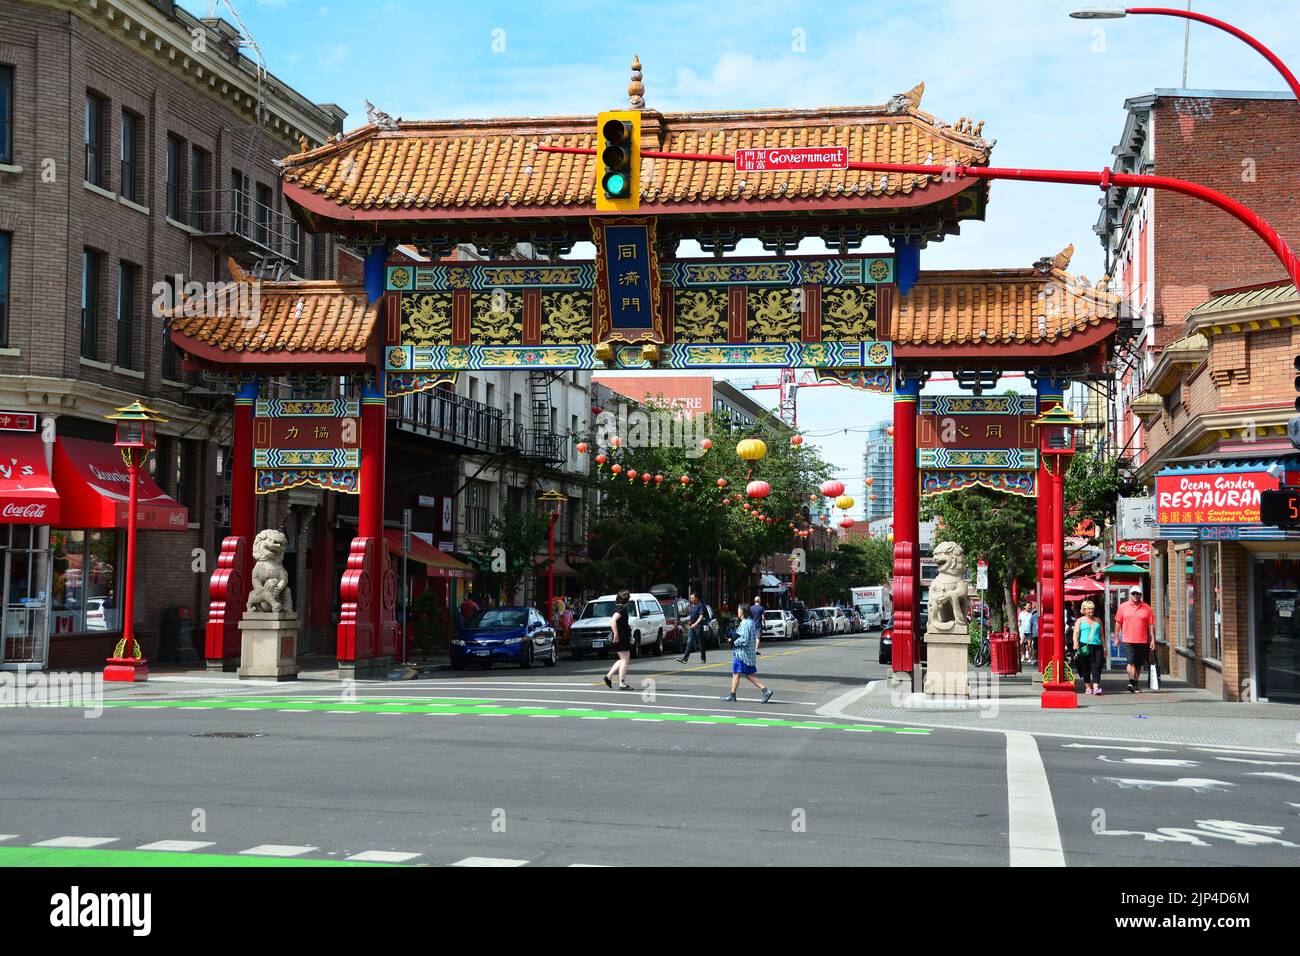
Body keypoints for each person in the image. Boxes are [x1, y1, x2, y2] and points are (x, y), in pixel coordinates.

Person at [721, 605, 773, 704]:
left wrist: (732, 641)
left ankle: (733, 695)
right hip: (746, 653)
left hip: (741, 654)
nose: (737, 611)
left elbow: (744, 640)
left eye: (738, 610)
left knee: (737, 673)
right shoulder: (750, 622)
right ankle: (765, 691)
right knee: (747, 674)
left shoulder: (745, 623)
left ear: (742, 612)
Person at [1115, 585, 1155, 693]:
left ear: (1141, 594)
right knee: (1130, 662)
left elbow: (1151, 625)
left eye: (1137, 593)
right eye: (1133, 593)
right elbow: (1118, 623)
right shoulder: (1123, 607)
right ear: (1130, 594)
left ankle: (1135, 684)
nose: (1136, 595)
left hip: (1142, 640)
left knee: (1138, 664)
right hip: (1128, 639)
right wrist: (1116, 638)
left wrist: (1153, 639)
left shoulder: (1147, 608)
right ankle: (1131, 682)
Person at [1072, 599, 1106, 696]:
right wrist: (1075, 644)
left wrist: (1104, 648)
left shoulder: (1098, 620)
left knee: (1097, 666)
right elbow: (1076, 633)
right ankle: (1088, 687)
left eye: (1092, 609)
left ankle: (1096, 687)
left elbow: (1102, 635)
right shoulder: (1080, 620)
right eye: (1089, 609)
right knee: (1085, 667)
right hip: (1084, 646)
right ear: (1084, 610)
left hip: (1097, 646)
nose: (1091, 611)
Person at [603, 589, 634, 691]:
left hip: (621, 636)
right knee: (625, 660)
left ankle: (609, 676)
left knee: (622, 659)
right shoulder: (621, 609)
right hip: (621, 637)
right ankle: (622, 683)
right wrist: (616, 634)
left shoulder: (617, 608)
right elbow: (613, 620)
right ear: (626, 599)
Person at [677, 592, 707, 664]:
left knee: (700, 643)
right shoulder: (690, 607)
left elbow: (701, 616)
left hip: (698, 627)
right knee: (689, 642)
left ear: (696, 598)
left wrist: (696, 624)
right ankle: (685, 659)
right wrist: (688, 622)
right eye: (690, 598)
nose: (691, 599)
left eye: (692, 598)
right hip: (691, 627)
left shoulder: (700, 606)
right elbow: (689, 616)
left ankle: (703, 659)